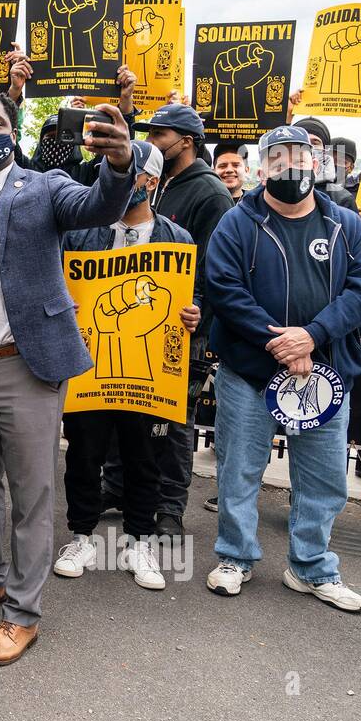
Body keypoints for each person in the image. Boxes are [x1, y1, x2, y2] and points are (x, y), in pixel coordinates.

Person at [0, 90, 134, 665]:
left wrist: (118, 165)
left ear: (12, 132)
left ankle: (22, 614)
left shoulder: (45, 187)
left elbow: (100, 208)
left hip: (24, 365)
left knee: (32, 496)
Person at [203, 125, 361, 611]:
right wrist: (278, 342)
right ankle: (235, 557)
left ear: (317, 164)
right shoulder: (237, 222)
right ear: (263, 168)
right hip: (250, 373)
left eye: (301, 156)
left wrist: (312, 336)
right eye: (278, 158)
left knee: (323, 477)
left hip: (325, 374)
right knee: (239, 469)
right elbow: (224, 287)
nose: (291, 166)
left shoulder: (346, 223)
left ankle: (312, 567)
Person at [55, 140, 199, 590]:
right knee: (83, 455)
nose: (113, 175)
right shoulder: (81, 233)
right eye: (108, 166)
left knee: (144, 458)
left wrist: (192, 312)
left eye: (128, 170)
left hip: (147, 374)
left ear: (151, 181)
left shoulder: (178, 239)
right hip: (89, 370)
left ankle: (139, 541)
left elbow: (189, 300)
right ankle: (81, 536)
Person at [118, 103, 233, 537]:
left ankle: (169, 506)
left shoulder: (210, 193)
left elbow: (213, 266)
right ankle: (118, 487)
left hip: (184, 325)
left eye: (159, 136)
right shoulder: (157, 183)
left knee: (174, 419)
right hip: (137, 316)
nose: (150, 142)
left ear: (186, 142)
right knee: (125, 405)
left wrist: (198, 310)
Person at [292, 116, 356, 209]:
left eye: (315, 142)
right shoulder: (270, 188)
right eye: (302, 141)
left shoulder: (342, 198)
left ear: (324, 151)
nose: (309, 146)